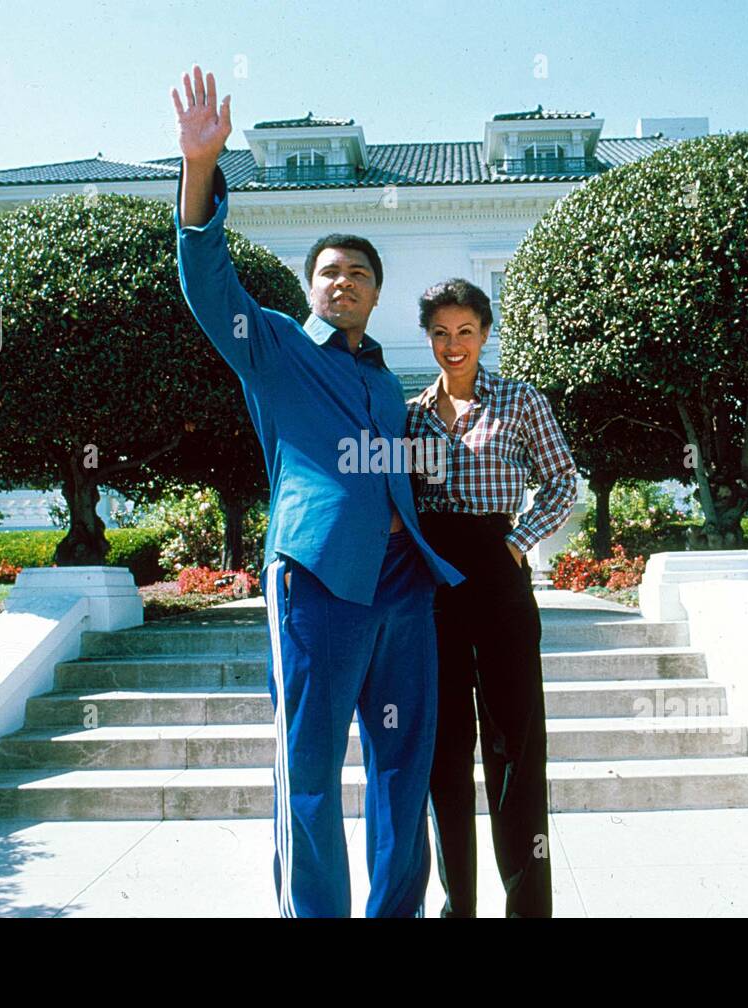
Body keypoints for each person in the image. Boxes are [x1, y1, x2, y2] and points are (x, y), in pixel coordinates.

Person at [171, 66, 464, 919]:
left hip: (405, 589)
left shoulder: (384, 380)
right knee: (307, 773)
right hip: (317, 584)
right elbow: (206, 279)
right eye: (329, 273)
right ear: (311, 287)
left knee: (404, 769)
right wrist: (198, 168)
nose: (343, 283)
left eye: (359, 275)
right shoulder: (269, 346)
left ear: (376, 294)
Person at [406, 277, 579, 918]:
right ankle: (460, 907)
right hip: (436, 587)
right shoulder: (412, 414)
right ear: (430, 339)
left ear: (484, 334)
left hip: (499, 574)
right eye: (442, 334)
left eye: (466, 332)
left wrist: (516, 544)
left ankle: (527, 908)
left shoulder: (519, 401)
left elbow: (563, 483)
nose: (454, 346)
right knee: (445, 751)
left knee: (514, 743)